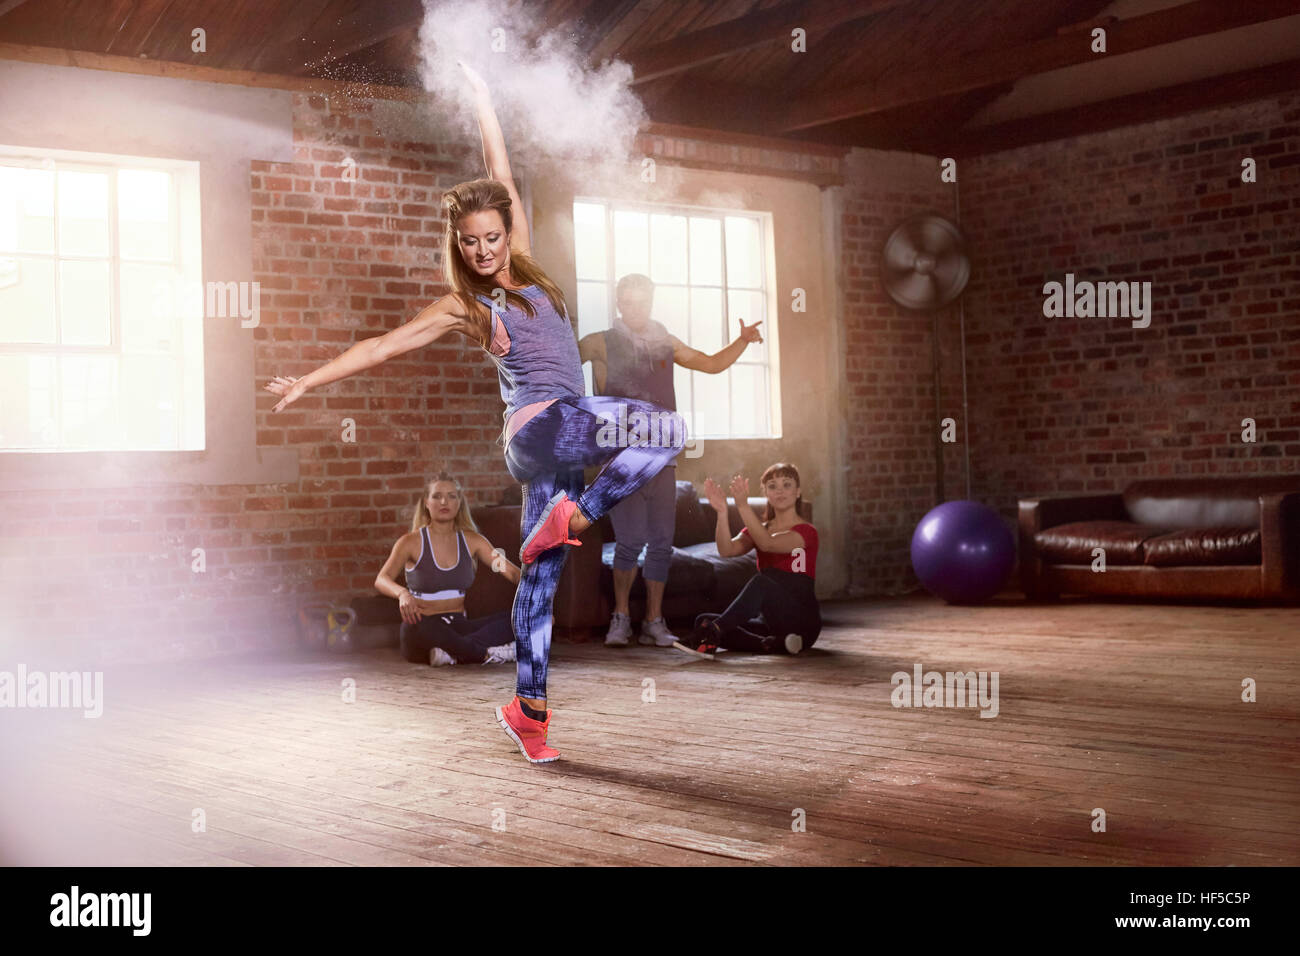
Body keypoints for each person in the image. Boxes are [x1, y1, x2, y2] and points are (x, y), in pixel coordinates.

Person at [264, 61, 685, 764]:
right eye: (470, 242)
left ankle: (529, 711)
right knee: (660, 426)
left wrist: (485, 96)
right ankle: (574, 520)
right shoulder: (464, 306)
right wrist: (310, 379)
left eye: (493, 236)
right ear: (456, 245)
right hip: (535, 431)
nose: (485, 249)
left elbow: (499, 167)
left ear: (505, 230)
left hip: (565, 441)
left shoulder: (527, 264)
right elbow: (381, 346)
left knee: (538, 581)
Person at [579, 273, 762, 648]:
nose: (635, 309)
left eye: (642, 302)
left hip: (662, 458)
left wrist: (742, 341)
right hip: (621, 462)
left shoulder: (666, 343)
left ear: (651, 302)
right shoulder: (599, 342)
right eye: (628, 302)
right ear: (618, 305)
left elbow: (710, 364)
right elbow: (561, 365)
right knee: (629, 541)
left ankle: (654, 621)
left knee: (661, 543)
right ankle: (620, 618)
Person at [674, 462, 821, 659]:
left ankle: (711, 634)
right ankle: (773, 645)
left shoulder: (807, 532)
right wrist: (722, 512)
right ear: (765, 493)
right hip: (772, 623)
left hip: (803, 622)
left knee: (762, 582)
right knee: (704, 620)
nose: (780, 491)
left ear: (798, 491)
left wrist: (742, 506)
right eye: (772, 486)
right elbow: (726, 550)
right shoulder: (759, 530)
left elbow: (767, 544)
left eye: (787, 485)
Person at [374, 472, 519, 667]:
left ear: (459, 503)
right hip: (423, 626)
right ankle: (486, 653)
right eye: (437, 496)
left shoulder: (472, 541)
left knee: (515, 618)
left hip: (459, 626)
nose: (445, 501)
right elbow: (382, 579)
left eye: (452, 496)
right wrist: (402, 594)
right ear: (426, 502)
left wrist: (538, 603)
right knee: (422, 627)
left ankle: (452, 653)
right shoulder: (410, 542)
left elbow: (510, 572)